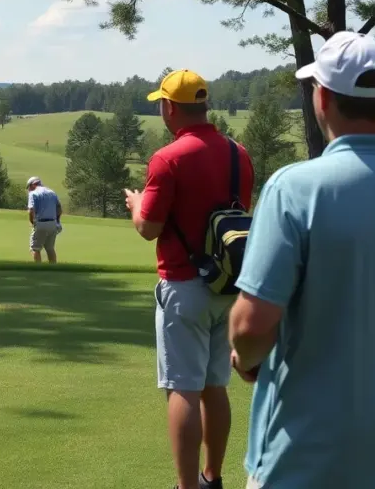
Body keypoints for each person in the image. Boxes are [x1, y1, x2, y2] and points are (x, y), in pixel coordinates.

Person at [229, 32, 375, 488]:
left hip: (308, 458)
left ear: (323, 98)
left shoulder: (295, 189)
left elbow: (251, 328)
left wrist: (248, 358)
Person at [123, 69, 255, 489]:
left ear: (170, 107)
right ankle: (213, 477)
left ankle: (186, 486)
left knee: (182, 387)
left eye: (162, 103)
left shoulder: (167, 159)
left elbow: (149, 227)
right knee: (215, 385)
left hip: (183, 284)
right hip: (228, 286)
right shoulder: (240, 153)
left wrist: (136, 203)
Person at [26, 176, 62, 263]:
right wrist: (57, 221)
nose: (29, 190)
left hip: (41, 223)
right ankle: (53, 269)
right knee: (50, 248)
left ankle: (38, 270)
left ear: (33, 185)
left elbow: (31, 211)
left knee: (35, 248)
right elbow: (59, 209)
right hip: (53, 224)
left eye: (29, 187)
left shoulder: (33, 194)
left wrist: (33, 222)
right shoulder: (52, 192)